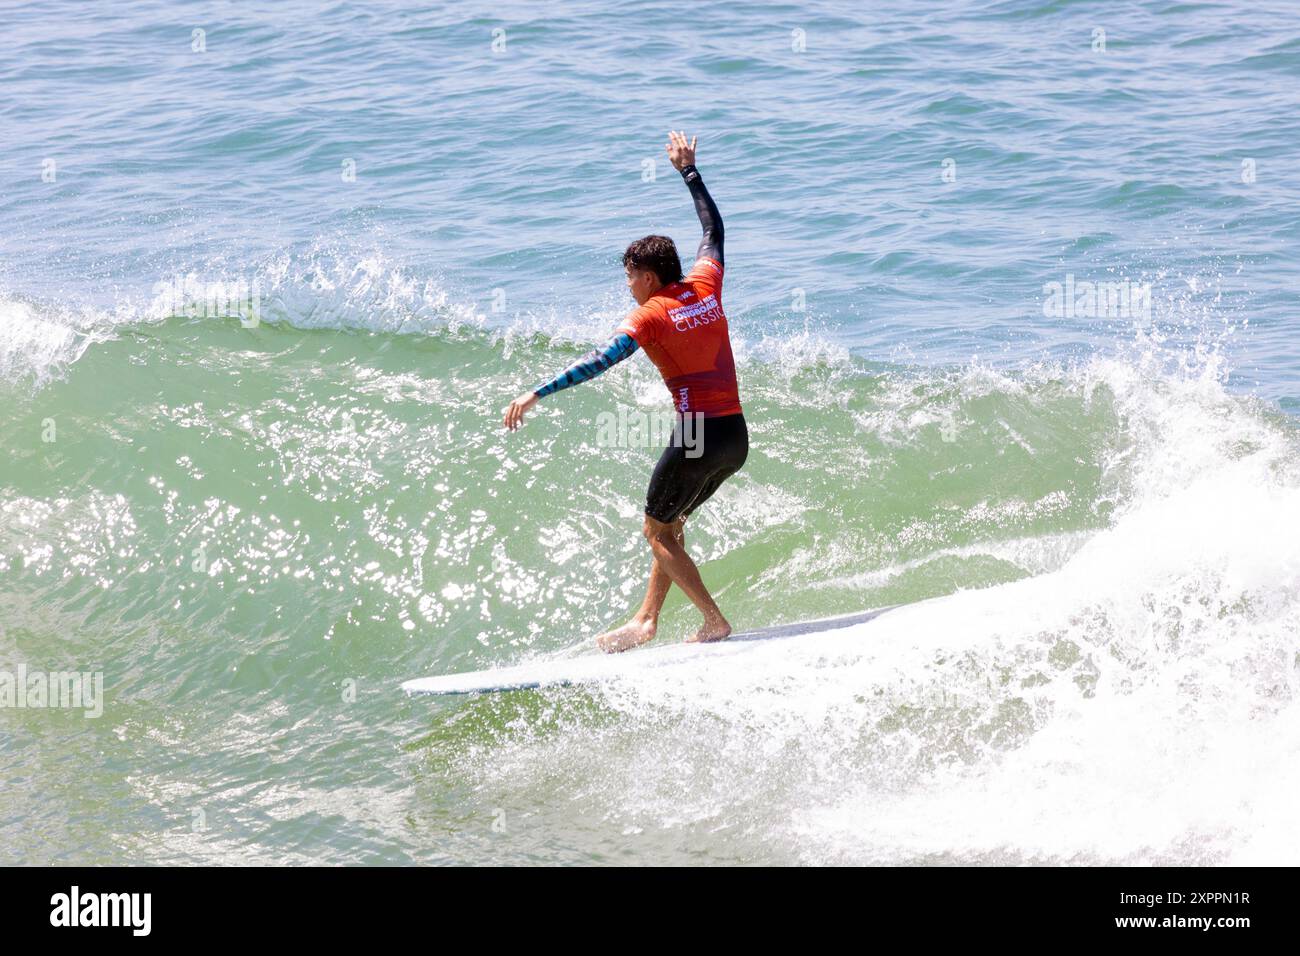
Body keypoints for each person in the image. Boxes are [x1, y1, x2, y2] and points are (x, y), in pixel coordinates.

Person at [502, 131, 747, 653]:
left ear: (649, 276)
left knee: (657, 533)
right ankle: (646, 622)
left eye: (631, 276)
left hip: (698, 436)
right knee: (670, 524)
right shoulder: (705, 283)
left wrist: (536, 393)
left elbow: (599, 361)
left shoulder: (651, 315)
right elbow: (713, 229)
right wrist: (689, 171)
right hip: (734, 438)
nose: (628, 286)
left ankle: (713, 620)